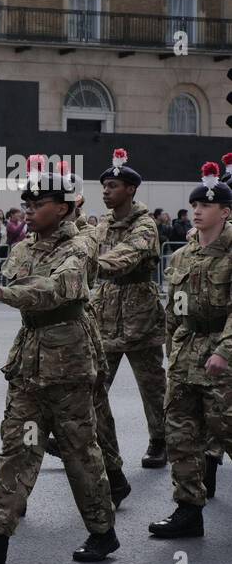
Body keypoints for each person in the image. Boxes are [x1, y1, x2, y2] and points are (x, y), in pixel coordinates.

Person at [0, 162, 119, 564]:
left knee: (79, 450)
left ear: (64, 209)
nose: (28, 209)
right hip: (29, 361)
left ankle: (103, 532)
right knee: (19, 445)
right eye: (25, 202)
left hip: (69, 361)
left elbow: (57, 289)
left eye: (38, 202)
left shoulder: (79, 246)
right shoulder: (24, 246)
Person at [148, 163, 232, 540]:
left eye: (206, 205)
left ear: (225, 211)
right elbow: (173, 309)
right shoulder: (183, 256)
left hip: (221, 354)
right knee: (181, 434)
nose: (197, 210)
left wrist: (225, 351)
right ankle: (188, 511)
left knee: (226, 429)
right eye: (194, 204)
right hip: (186, 354)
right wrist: (171, 348)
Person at [93, 149, 168, 468]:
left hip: (140, 316)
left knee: (152, 386)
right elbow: (84, 246)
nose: (106, 191)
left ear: (130, 190)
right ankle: (95, 443)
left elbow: (129, 254)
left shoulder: (145, 224)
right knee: (94, 382)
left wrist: (91, 264)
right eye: (105, 186)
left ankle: (160, 441)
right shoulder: (102, 225)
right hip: (107, 315)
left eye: (113, 186)